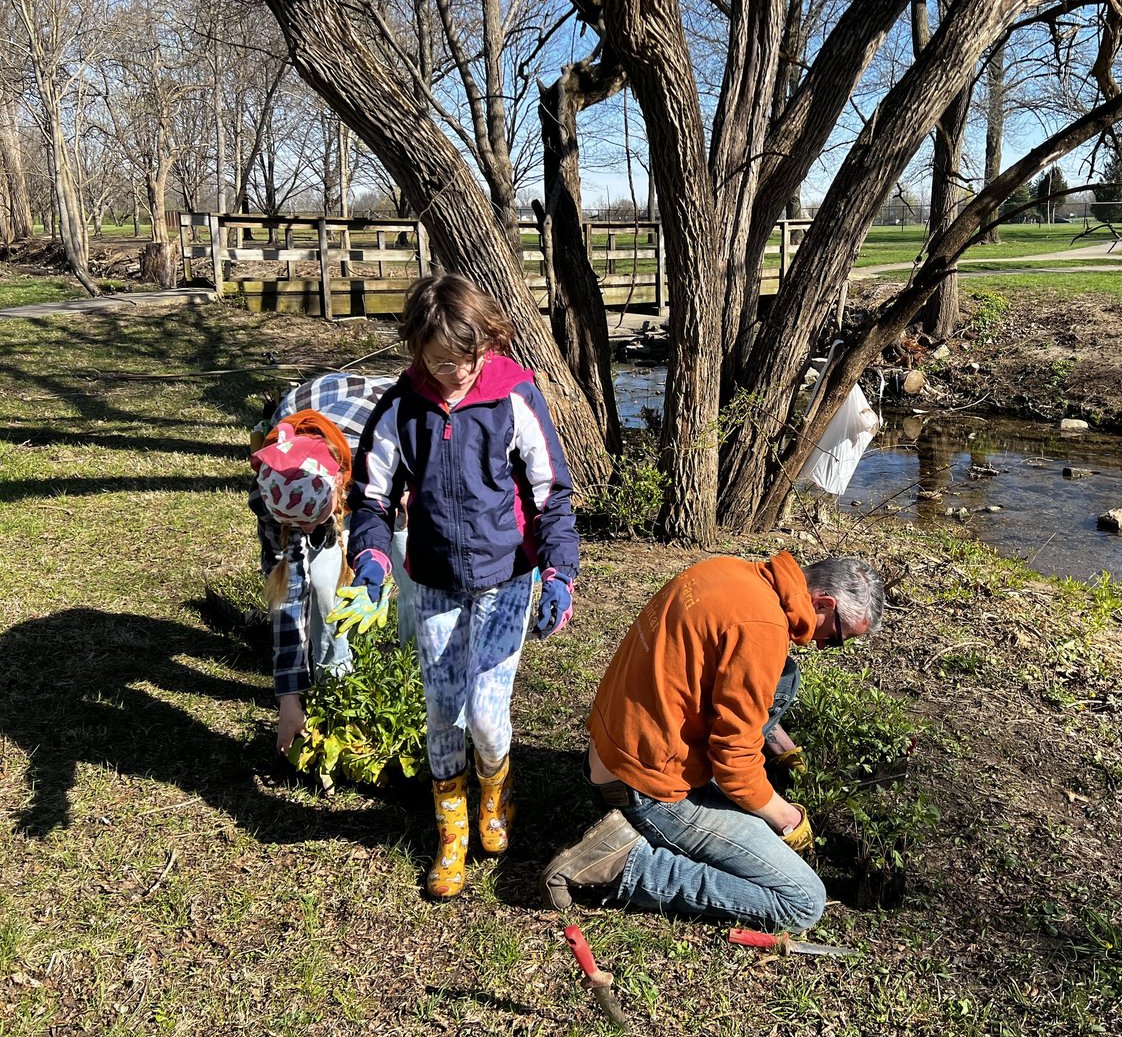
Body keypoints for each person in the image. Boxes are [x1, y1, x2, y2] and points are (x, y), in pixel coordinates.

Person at [331, 273, 580, 900]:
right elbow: (370, 499)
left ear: (485, 343)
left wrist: (559, 573)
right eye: (440, 361)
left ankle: (496, 795)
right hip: (435, 580)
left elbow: (551, 494)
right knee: (443, 711)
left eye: (466, 359)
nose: (455, 373)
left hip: (507, 577)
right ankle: (452, 832)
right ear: (416, 348)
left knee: (487, 719)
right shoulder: (400, 408)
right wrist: (371, 562)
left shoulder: (514, 395)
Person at [540, 553, 885, 931]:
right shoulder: (763, 628)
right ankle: (624, 863)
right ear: (824, 604)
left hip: (610, 751)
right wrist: (788, 818)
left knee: (784, 675)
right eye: (836, 638)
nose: (824, 646)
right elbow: (735, 766)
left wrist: (777, 746)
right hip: (645, 788)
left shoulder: (730, 572)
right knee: (803, 900)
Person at [249, 371, 410, 758]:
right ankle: (334, 681)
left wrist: (410, 499)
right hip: (320, 416)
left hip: (391, 446)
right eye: (296, 525)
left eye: (312, 520)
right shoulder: (271, 488)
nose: (304, 531)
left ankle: (416, 670)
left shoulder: (385, 440)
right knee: (323, 579)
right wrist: (288, 697)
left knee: (409, 562)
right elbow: (287, 595)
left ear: (339, 487)